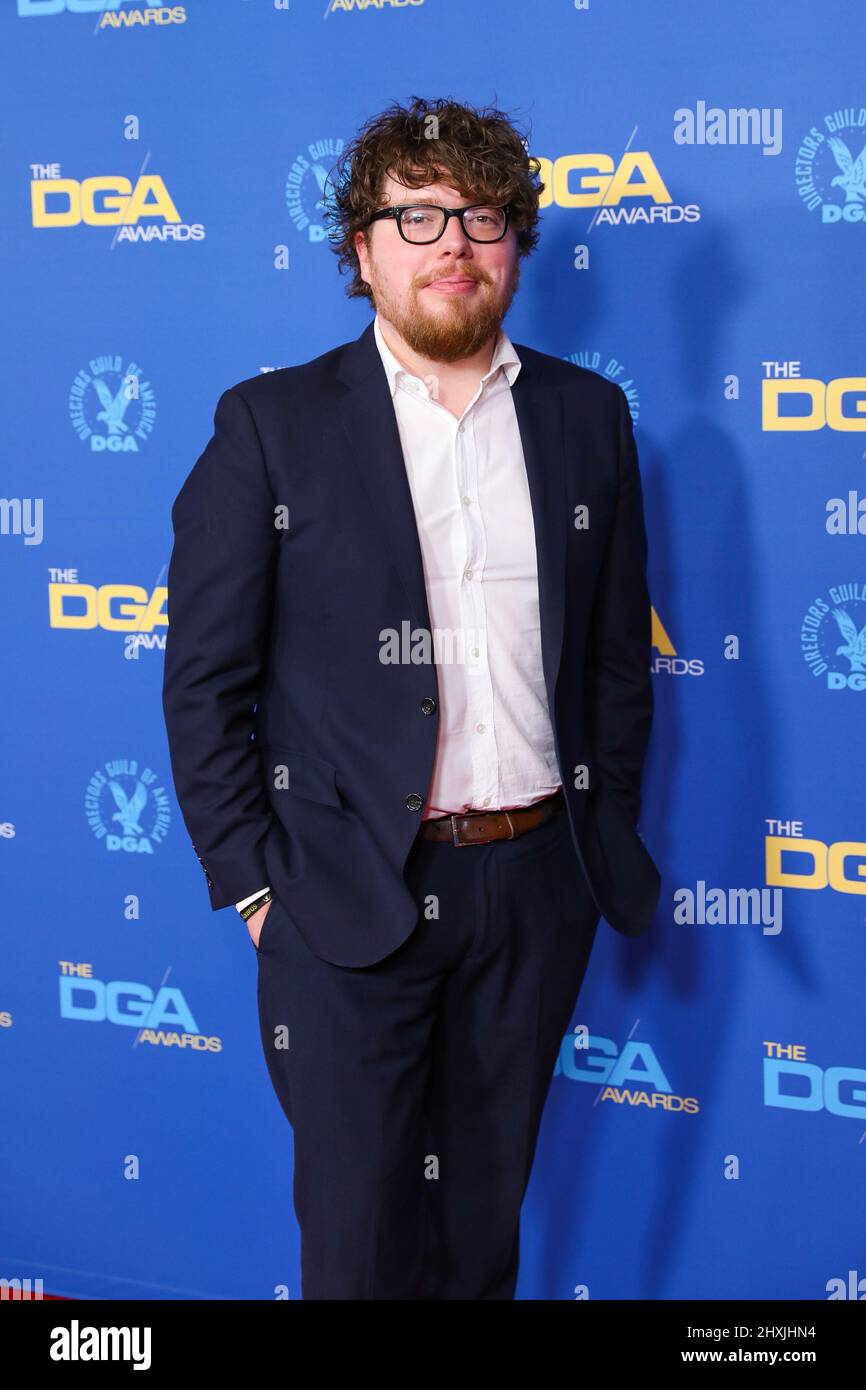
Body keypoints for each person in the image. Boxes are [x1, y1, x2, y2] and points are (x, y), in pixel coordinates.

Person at [162, 95, 660, 1300]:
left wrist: (591, 846)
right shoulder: (272, 426)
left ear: (514, 243)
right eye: (418, 215)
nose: (453, 244)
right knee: (359, 1244)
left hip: (536, 886)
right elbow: (204, 681)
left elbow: (612, 664)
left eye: (480, 216)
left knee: (482, 1231)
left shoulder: (586, 417)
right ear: (361, 249)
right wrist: (258, 887)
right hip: (345, 900)